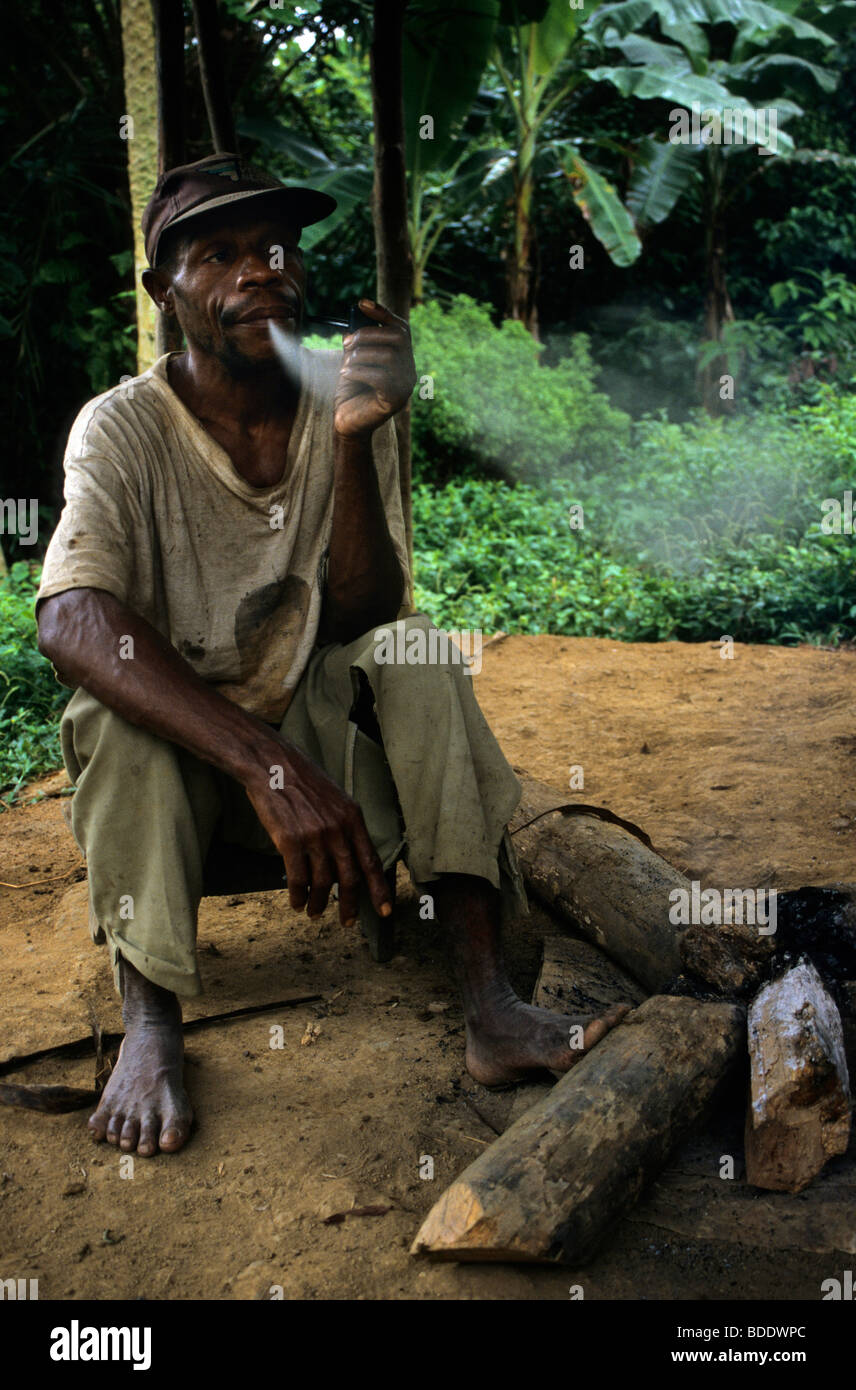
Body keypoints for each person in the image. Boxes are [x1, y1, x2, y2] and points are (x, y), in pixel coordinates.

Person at [35, 154, 627, 1158]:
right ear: (161, 292)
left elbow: (365, 606)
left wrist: (353, 439)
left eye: (272, 247)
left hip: (323, 756)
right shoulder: (122, 427)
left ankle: (488, 1002)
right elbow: (73, 620)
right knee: (108, 710)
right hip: (193, 774)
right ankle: (150, 1022)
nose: (256, 270)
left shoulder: (349, 396)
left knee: (414, 650)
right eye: (215, 254)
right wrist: (264, 765)